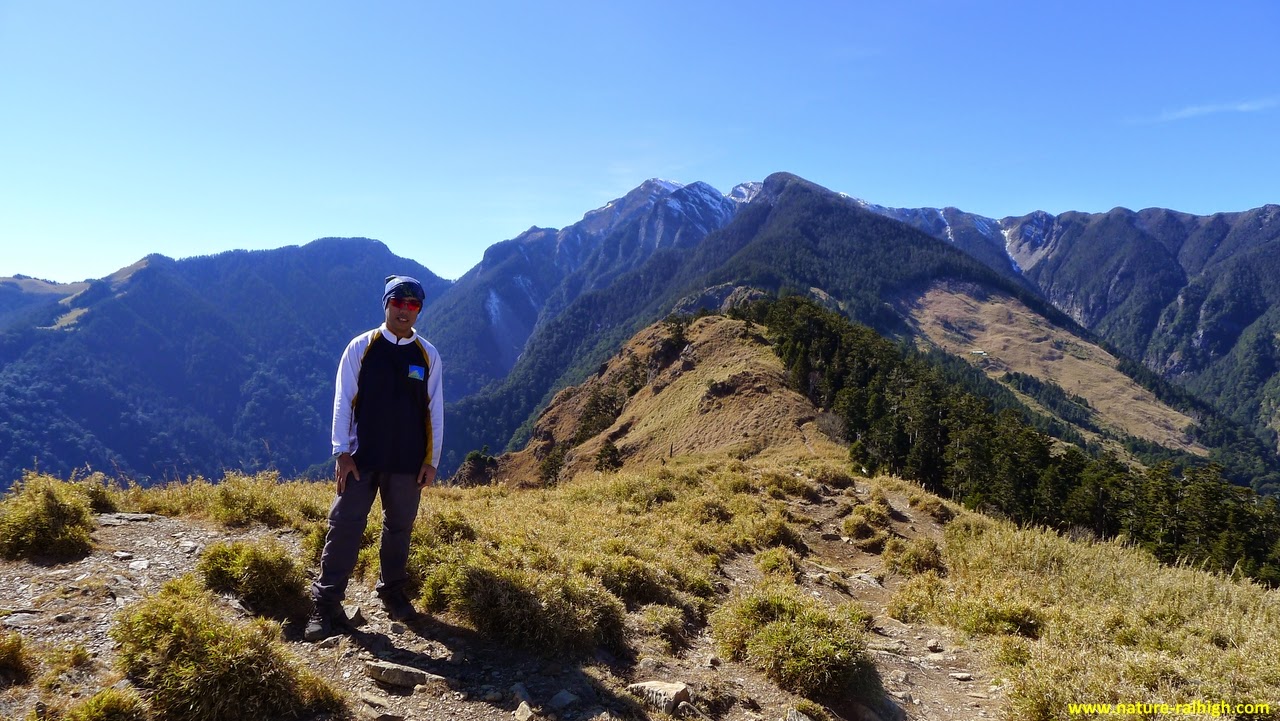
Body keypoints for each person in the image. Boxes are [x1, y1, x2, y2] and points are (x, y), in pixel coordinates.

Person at [305, 275, 444, 642]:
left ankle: (392, 592)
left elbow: (434, 411)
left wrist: (431, 461)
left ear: (419, 310)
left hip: (407, 461)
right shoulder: (362, 347)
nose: (405, 310)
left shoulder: (428, 354)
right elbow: (342, 400)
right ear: (386, 304)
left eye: (413, 305)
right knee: (345, 524)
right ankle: (327, 603)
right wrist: (342, 451)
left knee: (399, 528)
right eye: (398, 302)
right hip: (361, 458)